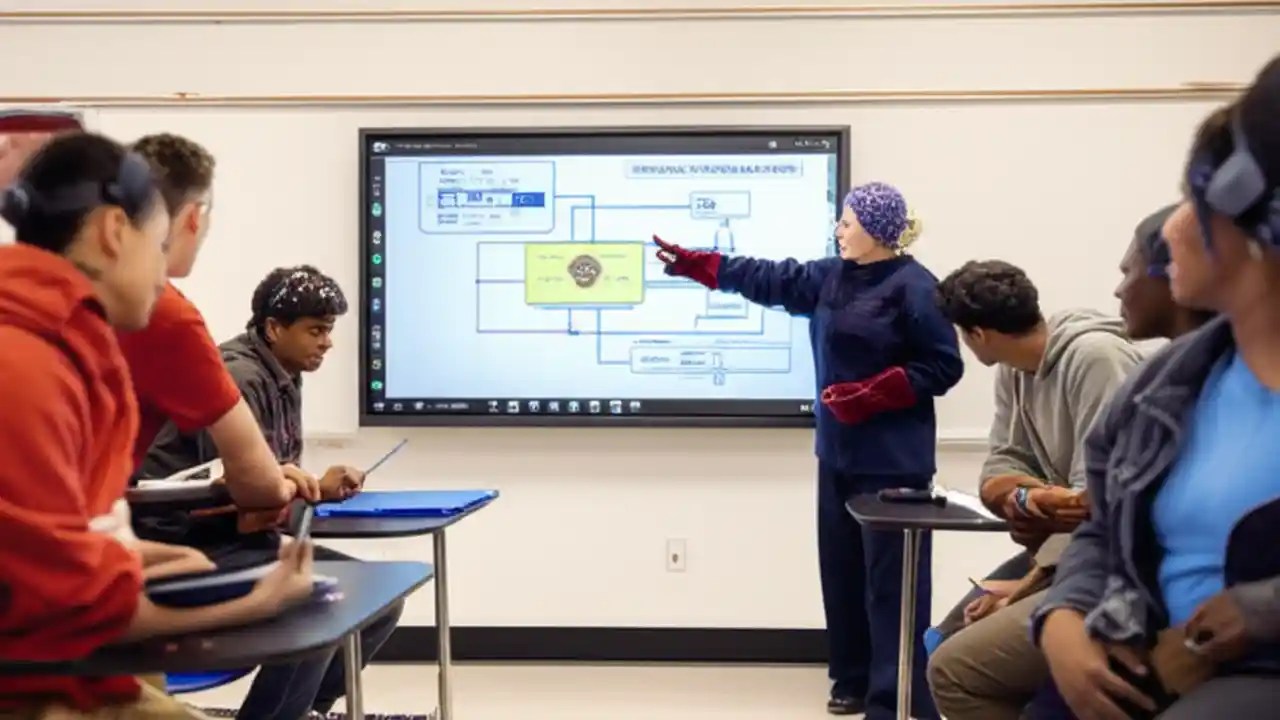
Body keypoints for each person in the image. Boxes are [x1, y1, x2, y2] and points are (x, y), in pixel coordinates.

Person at [0, 132, 314, 719]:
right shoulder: (26, 367)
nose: (165, 273)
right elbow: (65, 607)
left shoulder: (76, 343)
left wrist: (141, 557)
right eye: (159, 241)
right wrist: (256, 602)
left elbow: (67, 542)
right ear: (115, 233)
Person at [654, 181, 964, 718]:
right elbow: (770, 277)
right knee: (841, 573)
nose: (838, 229)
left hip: (894, 463)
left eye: (846, 222)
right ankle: (851, 679)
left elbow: (944, 365)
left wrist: (872, 395)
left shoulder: (916, 287)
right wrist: (702, 265)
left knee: (890, 584)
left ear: (876, 230)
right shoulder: (830, 276)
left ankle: (893, 695)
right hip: (838, 455)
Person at [1036, 55, 1280, 720]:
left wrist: (1257, 614)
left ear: (1247, 215)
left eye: (1190, 199)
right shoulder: (1163, 387)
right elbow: (1105, 527)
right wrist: (1062, 619)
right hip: (1152, 658)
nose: (1170, 227)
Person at [144, 265, 401, 720]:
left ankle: (309, 709)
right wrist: (300, 491)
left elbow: (268, 479)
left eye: (329, 330)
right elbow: (243, 499)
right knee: (322, 604)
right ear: (274, 328)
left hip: (233, 534)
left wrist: (314, 486)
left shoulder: (280, 372)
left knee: (379, 598)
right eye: (316, 331)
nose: (327, 342)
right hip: (184, 546)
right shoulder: (239, 377)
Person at [926, 260, 1146, 720]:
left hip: (1110, 561)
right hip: (1059, 547)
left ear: (977, 335)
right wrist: (1030, 498)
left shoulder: (1097, 359)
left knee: (953, 668)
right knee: (942, 637)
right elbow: (1000, 470)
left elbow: (1098, 506)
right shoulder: (1013, 369)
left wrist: (1023, 586)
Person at [115, 133, 315, 508]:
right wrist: (286, 482)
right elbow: (261, 486)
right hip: (66, 538)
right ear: (193, 217)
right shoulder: (164, 315)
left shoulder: (41, 280)